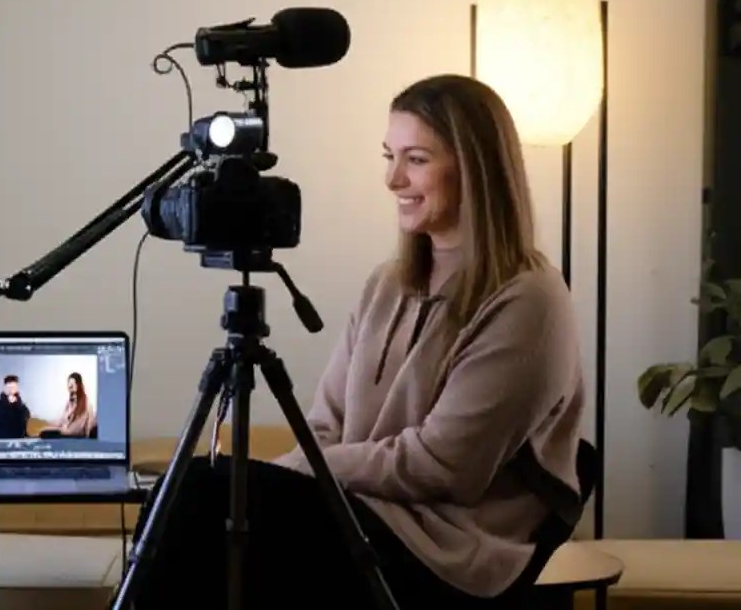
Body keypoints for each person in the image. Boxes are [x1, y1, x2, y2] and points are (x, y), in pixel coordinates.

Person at [128, 74, 587, 609]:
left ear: (477, 169)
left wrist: (299, 472)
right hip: (354, 513)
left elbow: (445, 468)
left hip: (445, 552)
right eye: (389, 156)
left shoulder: (529, 299)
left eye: (416, 159)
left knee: (198, 496)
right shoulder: (387, 283)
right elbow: (323, 424)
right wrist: (287, 475)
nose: (393, 180)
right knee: (188, 495)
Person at [44, 372, 96, 438]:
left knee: (47, 434)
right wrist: (46, 424)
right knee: (45, 432)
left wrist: (61, 430)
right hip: (66, 434)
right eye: (69, 383)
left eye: (73, 384)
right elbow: (60, 421)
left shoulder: (87, 405)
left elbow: (83, 428)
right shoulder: (68, 404)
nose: (70, 386)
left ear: (79, 385)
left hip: (76, 437)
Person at [0, 374, 31, 439]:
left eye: (13, 387)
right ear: (4, 388)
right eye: (9, 387)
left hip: (18, 442)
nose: (11, 390)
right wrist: (8, 404)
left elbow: (25, 425)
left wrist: (17, 405)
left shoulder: (22, 407)